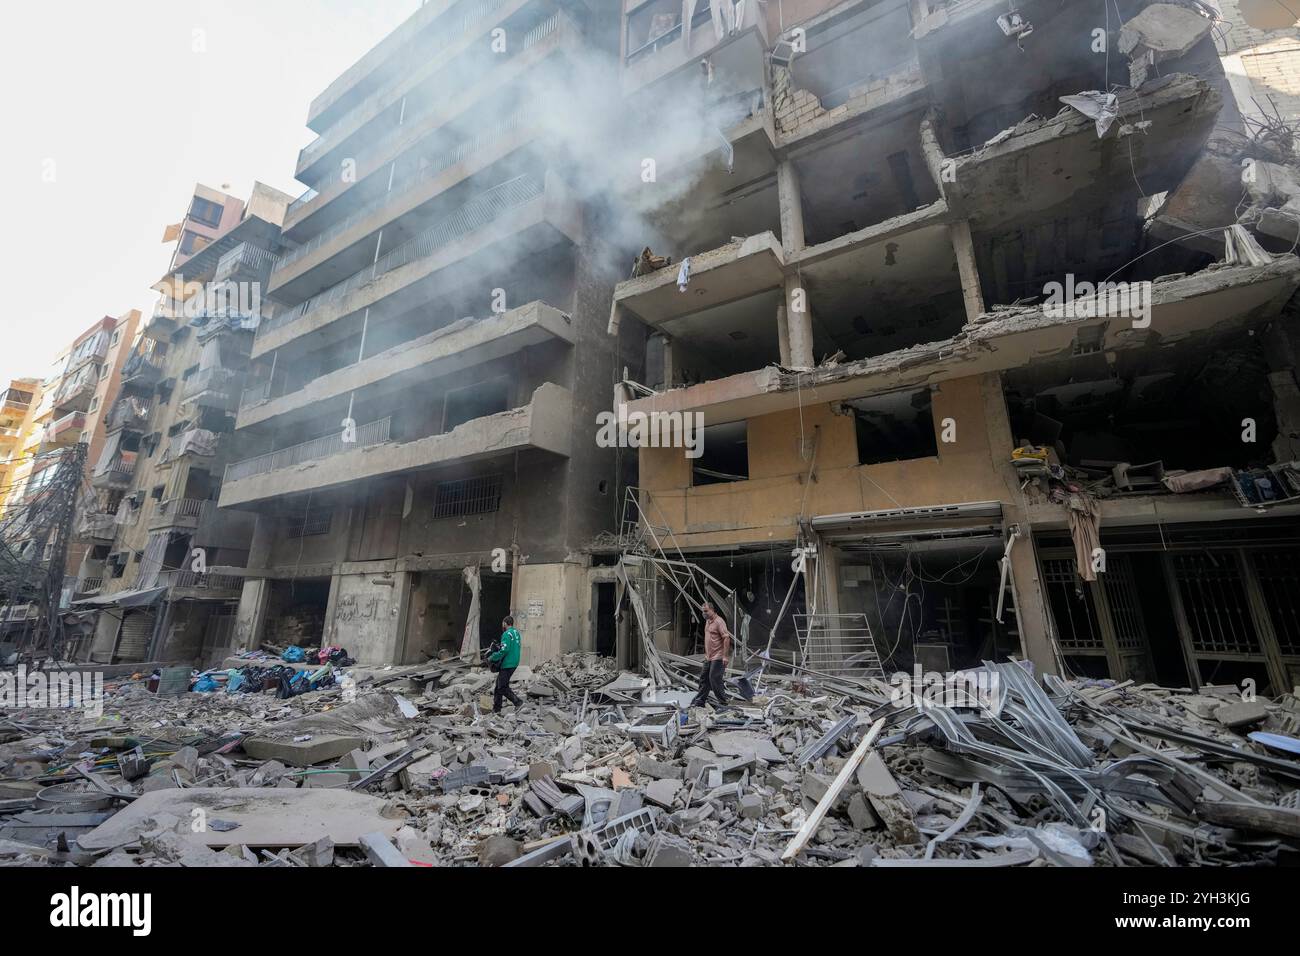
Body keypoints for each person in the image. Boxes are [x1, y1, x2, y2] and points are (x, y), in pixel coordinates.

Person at [690, 602, 731, 708]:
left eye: (706, 611)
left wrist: (725, 656)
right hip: (708, 657)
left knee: (714, 678)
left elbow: (726, 638)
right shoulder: (708, 622)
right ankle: (700, 702)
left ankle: (723, 702)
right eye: (703, 611)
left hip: (718, 656)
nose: (704, 613)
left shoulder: (719, 621)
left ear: (712, 610)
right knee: (704, 678)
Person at [489, 615, 523, 713]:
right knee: (498, 686)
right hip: (515, 661)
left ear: (505, 623)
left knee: (502, 687)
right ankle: (497, 709)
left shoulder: (506, 634)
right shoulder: (516, 633)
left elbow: (504, 649)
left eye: (503, 623)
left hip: (508, 663)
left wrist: (493, 657)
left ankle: (518, 702)